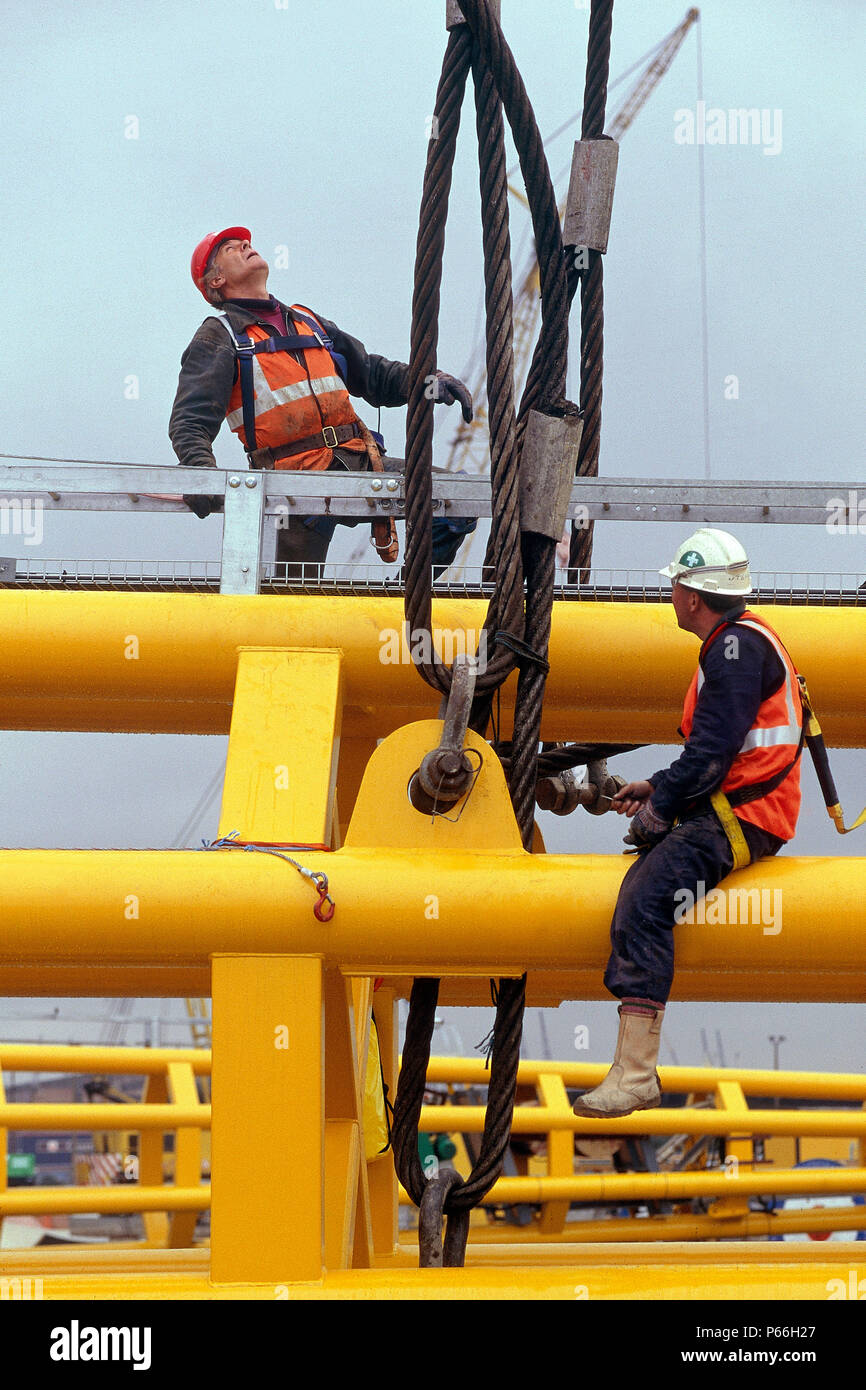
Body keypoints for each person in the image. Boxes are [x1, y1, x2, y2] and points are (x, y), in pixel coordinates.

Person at [573, 528, 804, 1120]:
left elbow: (712, 755)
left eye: (674, 584)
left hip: (744, 819)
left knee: (646, 902)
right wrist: (659, 787)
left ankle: (635, 1076)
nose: (670, 594)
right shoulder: (739, 644)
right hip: (739, 810)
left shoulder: (732, 650)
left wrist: (659, 812)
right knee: (645, 890)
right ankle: (632, 1070)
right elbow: (718, 751)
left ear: (693, 595)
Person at [169, 227, 476, 570]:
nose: (245, 245)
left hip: (358, 461)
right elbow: (190, 420)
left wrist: (427, 381)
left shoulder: (308, 323)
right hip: (293, 485)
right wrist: (200, 474)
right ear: (215, 281)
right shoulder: (219, 337)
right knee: (293, 605)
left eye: (246, 243)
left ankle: (407, 600)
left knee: (457, 500)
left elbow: (371, 373)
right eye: (229, 249)